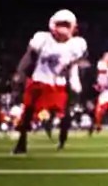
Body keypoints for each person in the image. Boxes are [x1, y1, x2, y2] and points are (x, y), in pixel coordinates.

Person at [12, 9, 87, 154]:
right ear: (52, 24)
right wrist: (20, 73)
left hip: (58, 83)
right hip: (38, 80)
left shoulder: (77, 44)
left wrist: (74, 78)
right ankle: (22, 142)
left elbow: (76, 63)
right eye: (60, 24)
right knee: (27, 113)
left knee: (65, 112)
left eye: (66, 24)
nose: (63, 28)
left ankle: (62, 140)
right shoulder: (42, 39)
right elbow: (29, 57)